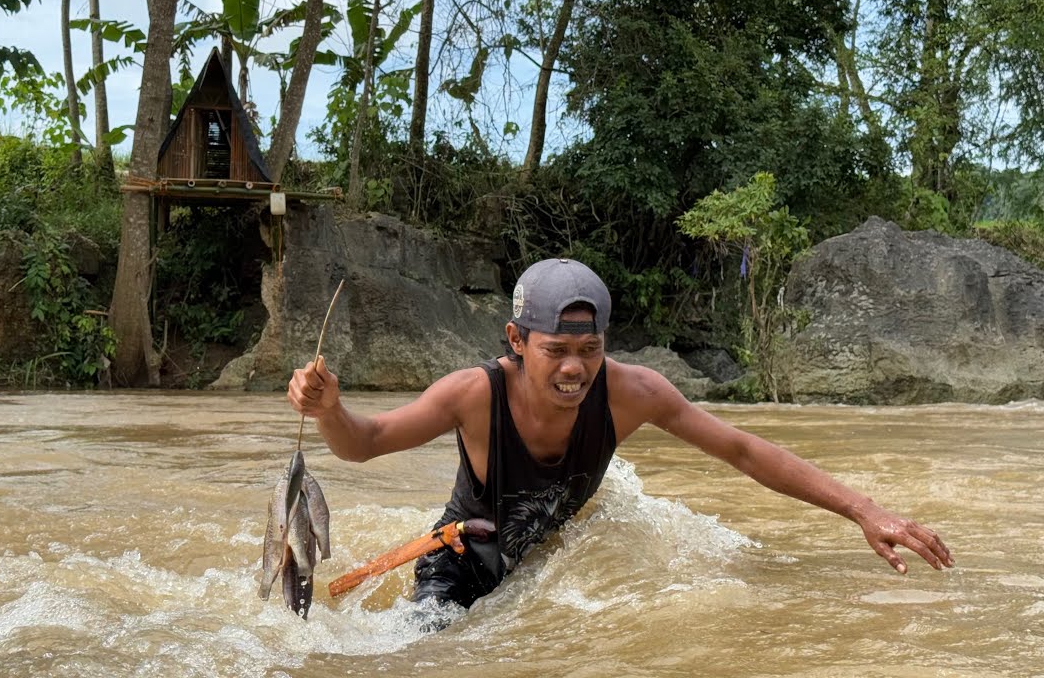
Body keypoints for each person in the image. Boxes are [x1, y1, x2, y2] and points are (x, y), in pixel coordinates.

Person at [287, 258, 953, 614]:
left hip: (546, 563)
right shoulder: (474, 393)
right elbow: (366, 443)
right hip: (463, 561)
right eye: (556, 350)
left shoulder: (635, 392)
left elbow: (745, 450)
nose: (575, 368)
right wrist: (329, 412)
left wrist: (864, 509)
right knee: (426, 648)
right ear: (517, 341)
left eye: (590, 348)